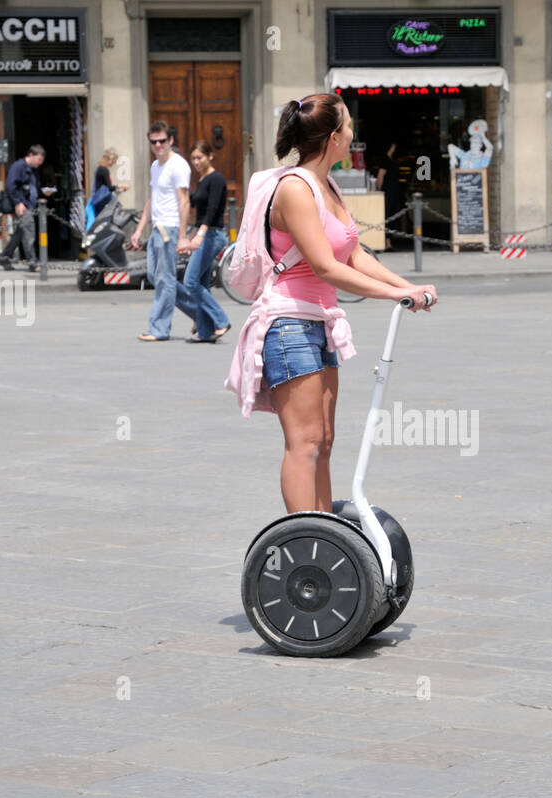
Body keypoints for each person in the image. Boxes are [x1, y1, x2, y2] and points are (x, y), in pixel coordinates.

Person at [224, 94, 437, 513]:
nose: (354, 133)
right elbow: (325, 267)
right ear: (334, 137)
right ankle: (305, 540)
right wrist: (397, 295)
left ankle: (325, 531)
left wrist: (408, 286)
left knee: (323, 439)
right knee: (303, 442)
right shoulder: (295, 189)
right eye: (349, 126)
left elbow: (354, 255)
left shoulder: (328, 185)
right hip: (287, 326)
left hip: (319, 324)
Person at [129, 121, 191, 342]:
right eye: (154, 142)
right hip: (157, 228)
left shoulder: (179, 165)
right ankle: (205, 316)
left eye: (162, 141)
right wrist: (139, 230)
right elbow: (152, 199)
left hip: (171, 228)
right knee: (157, 276)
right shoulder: (155, 166)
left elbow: (184, 202)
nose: (158, 145)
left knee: (165, 280)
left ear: (170, 140)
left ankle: (159, 328)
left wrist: (183, 236)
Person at [178, 140, 231, 343]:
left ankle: (221, 320)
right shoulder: (202, 180)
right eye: (193, 158)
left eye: (200, 157)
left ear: (210, 156)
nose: (196, 162)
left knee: (190, 281)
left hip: (211, 235)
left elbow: (212, 210)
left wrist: (200, 234)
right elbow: (197, 207)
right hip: (203, 233)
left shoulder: (216, 179)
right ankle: (206, 330)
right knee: (201, 283)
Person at [0, 145, 45, 271]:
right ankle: (32, 263)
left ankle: (4, 257)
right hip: (23, 205)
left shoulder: (33, 170)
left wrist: (43, 192)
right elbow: (10, 185)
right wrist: (18, 203)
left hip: (29, 205)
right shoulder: (18, 166)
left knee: (20, 233)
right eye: (39, 159)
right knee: (29, 233)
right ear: (31, 155)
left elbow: (33, 187)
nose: (40, 163)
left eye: (41, 160)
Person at [371, 141, 405, 250]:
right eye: (393, 145)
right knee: (387, 215)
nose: (395, 147)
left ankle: (388, 241)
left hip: (393, 191)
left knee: (391, 215)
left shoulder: (390, 159)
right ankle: (387, 242)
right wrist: (380, 191)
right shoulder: (385, 160)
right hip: (388, 192)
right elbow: (380, 177)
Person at [87, 147, 129, 229]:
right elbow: (109, 187)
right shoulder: (104, 170)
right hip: (101, 200)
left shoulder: (99, 168)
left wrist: (118, 188)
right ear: (110, 160)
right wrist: (120, 186)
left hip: (97, 199)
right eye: (113, 161)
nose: (113, 164)